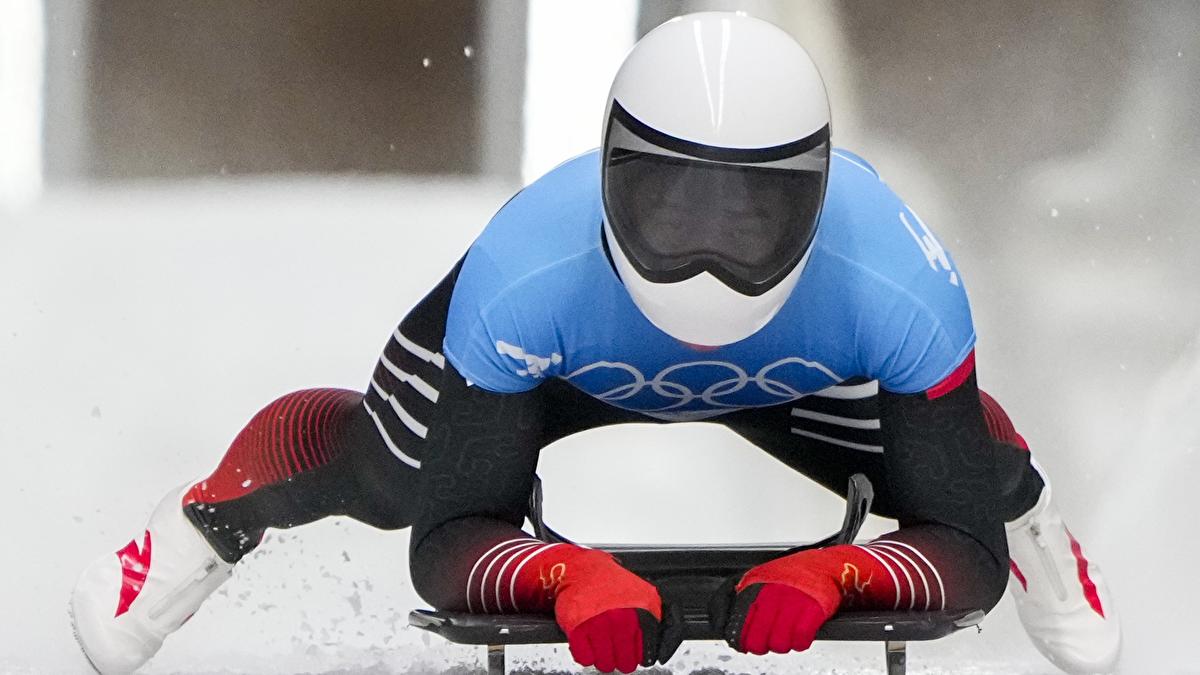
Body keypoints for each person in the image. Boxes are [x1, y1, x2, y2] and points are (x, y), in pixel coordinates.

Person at [71, 12, 1120, 675]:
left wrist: (844, 573)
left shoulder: (898, 277)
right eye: (673, 204)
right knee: (387, 472)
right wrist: (561, 576)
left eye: (751, 213)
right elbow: (446, 536)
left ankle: (1035, 518)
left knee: (949, 463)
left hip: (771, 362)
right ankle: (199, 527)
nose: (707, 256)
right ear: (613, 170)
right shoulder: (524, 275)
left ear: (812, 195)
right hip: (570, 358)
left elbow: (960, 544)